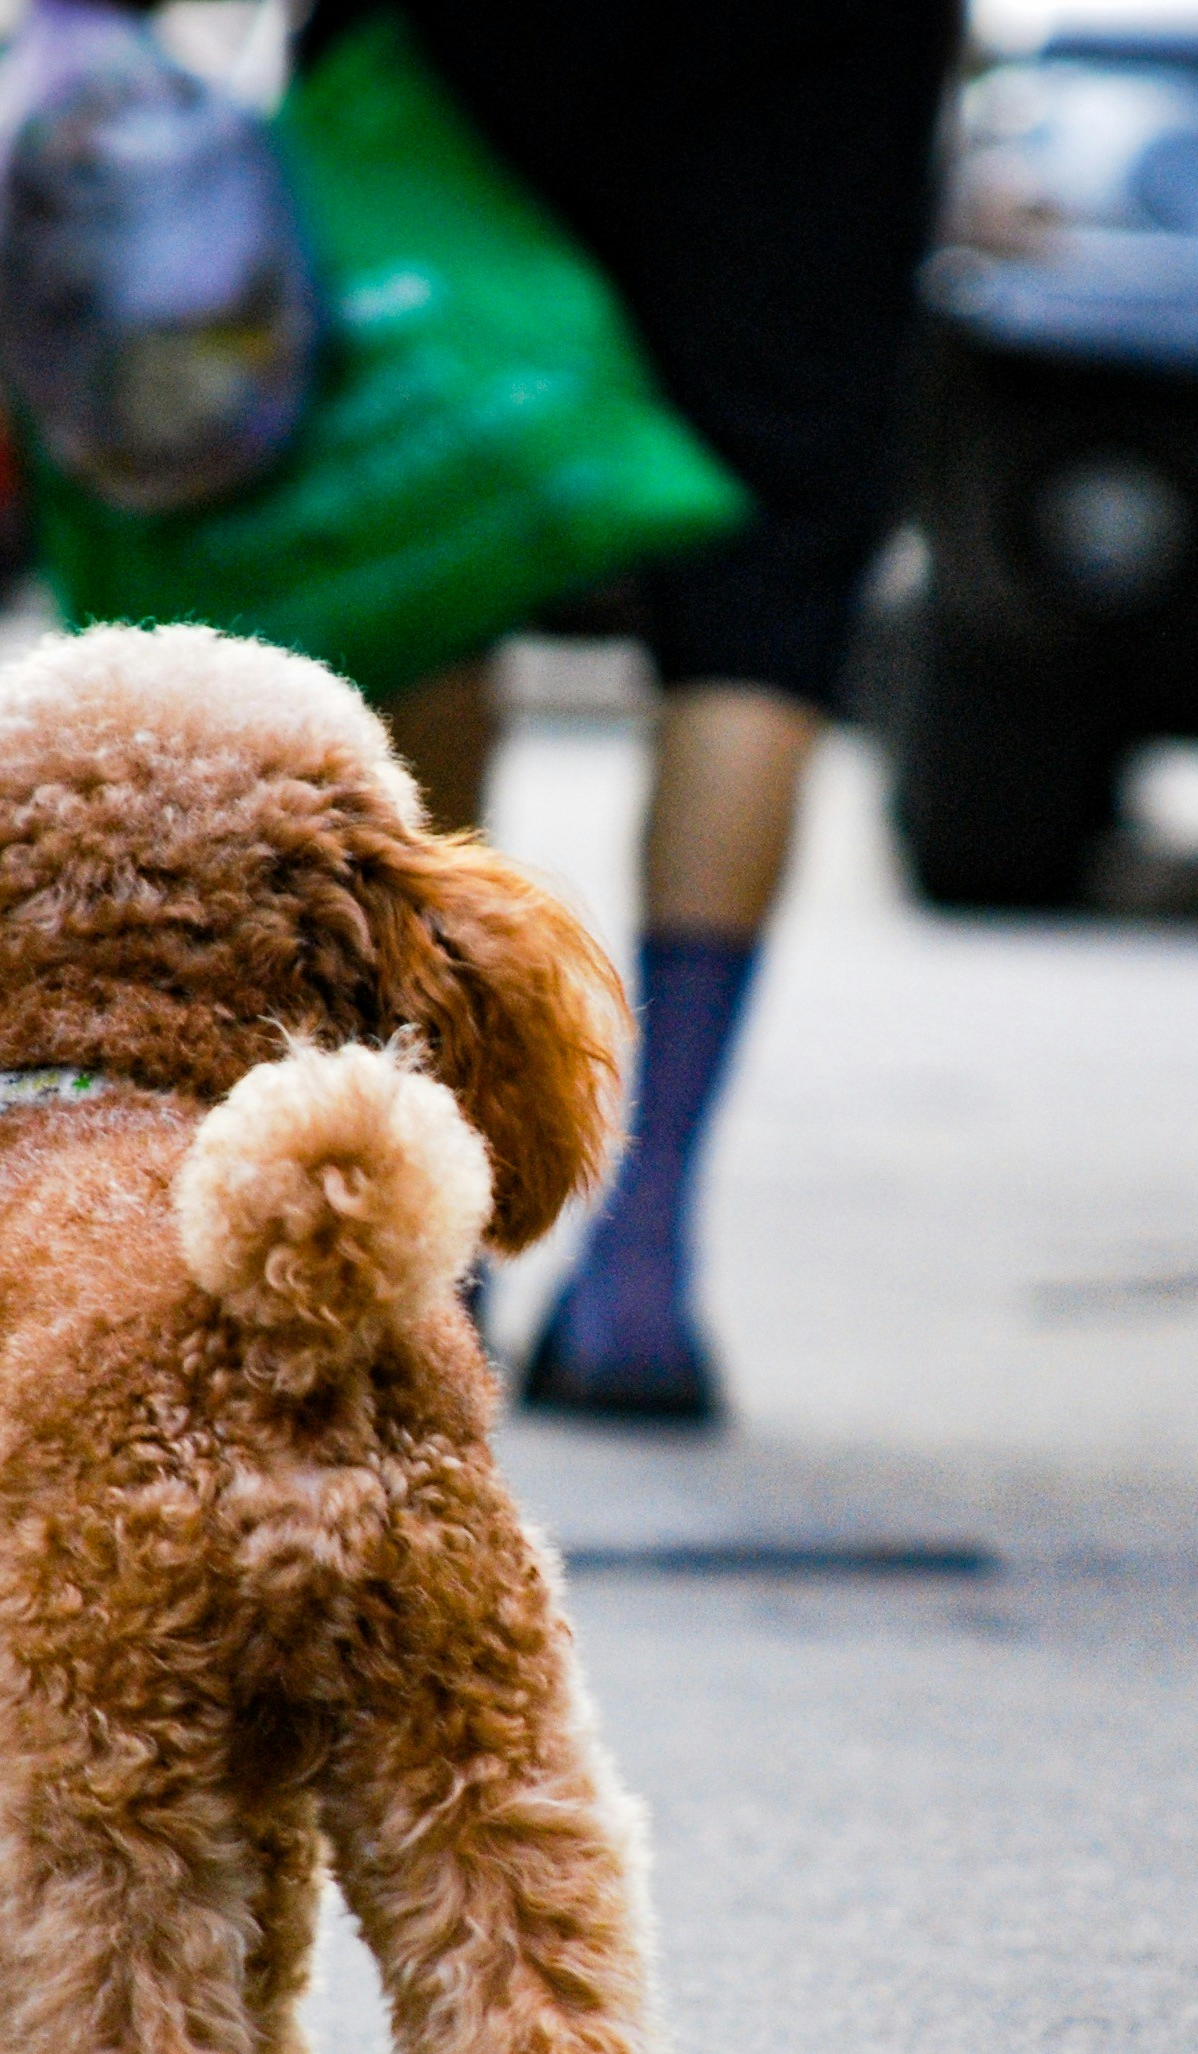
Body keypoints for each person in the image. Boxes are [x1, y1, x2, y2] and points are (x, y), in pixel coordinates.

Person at [319, 0, 962, 1424]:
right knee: (766, 577)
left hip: (475, 45)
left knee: (431, 515)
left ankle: (445, 1228)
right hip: (820, 51)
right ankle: (642, 1264)